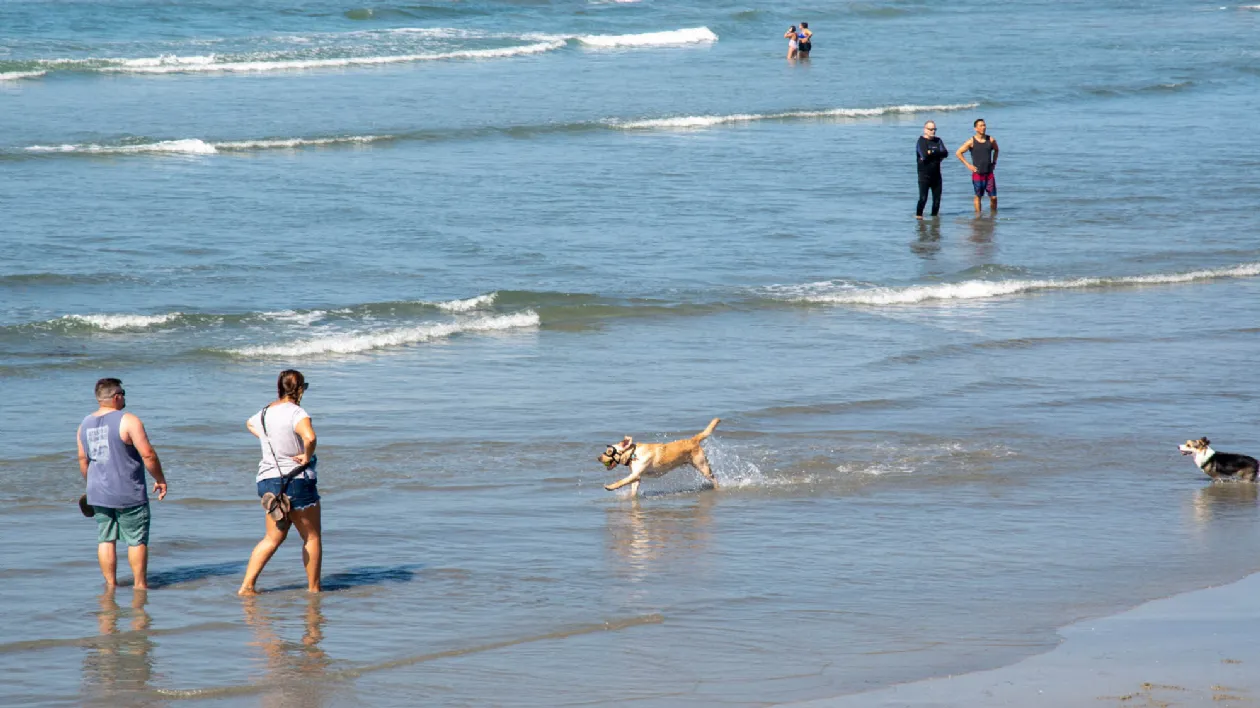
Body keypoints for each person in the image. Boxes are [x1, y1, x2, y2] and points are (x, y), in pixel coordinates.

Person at [77, 378, 168, 589]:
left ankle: (111, 585)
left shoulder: (84, 424)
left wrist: (91, 485)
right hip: (128, 491)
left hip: (98, 492)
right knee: (136, 540)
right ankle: (139, 585)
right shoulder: (128, 420)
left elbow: (83, 460)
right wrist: (160, 480)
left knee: (106, 539)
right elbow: (148, 455)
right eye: (123, 393)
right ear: (117, 396)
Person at [239, 369, 321, 595]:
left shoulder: (264, 412)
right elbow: (310, 437)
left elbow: (249, 423)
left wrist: (268, 439)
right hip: (296, 481)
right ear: (300, 389)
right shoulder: (297, 413)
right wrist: (306, 455)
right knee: (311, 536)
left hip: (267, 482)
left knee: (273, 538)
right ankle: (314, 590)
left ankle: (247, 586)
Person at [955, 118, 999, 213]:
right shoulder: (971, 141)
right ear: (976, 128)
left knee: (994, 197)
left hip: (989, 173)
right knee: (978, 196)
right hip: (978, 173)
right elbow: (958, 152)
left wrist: (994, 162)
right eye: (981, 125)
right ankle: (978, 217)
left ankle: (993, 216)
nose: (983, 127)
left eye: (984, 125)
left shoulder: (990, 140)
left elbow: (996, 150)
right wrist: (968, 165)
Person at [915, 121, 948, 218]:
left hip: (937, 176)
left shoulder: (938, 140)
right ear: (925, 130)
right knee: (923, 199)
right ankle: (919, 219)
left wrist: (931, 152)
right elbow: (924, 155)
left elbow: (945, 153)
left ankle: (934, 222)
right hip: (924, 176)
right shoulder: (921, 141)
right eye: (931, 129)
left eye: (934, 129)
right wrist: (937, 153)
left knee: (937, 201)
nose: (933, 131)